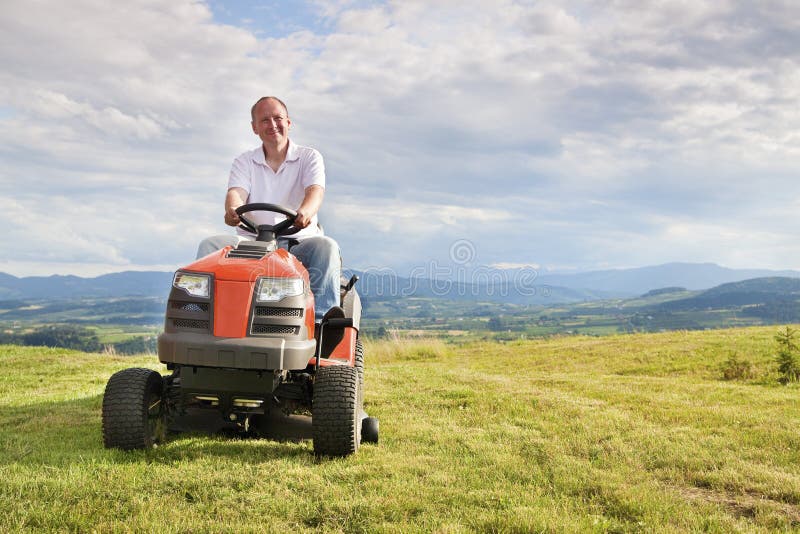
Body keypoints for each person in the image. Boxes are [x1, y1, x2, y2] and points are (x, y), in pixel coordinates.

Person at [196, 96, 341, 322]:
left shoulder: (309, 157)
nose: (272, 125)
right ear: (254, 128)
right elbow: (236, 194)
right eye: (264, 120)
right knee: (210, 245)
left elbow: (315, 191)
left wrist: (306, 212)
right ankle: (202, 318)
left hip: (298, 242)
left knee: (327, 246)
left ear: (288, 122)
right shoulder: (244, 162)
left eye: (278, 118)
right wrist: (233, 208)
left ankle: (322, 322)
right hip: (252, 244)